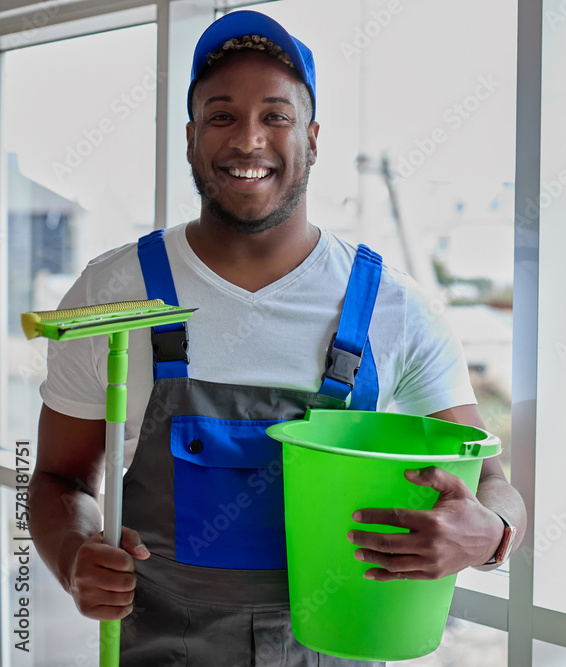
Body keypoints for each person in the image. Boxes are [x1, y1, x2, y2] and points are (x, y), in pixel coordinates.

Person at [28, 10, 525, 666]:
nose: (249, 139)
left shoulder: (392, 308)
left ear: (312, 137)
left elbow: (492, 478)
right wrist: (72, 556)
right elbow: (59, 480)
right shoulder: (112, 294)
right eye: (222, 114)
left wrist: (492, 532)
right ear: (191, 136)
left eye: (276, 115)